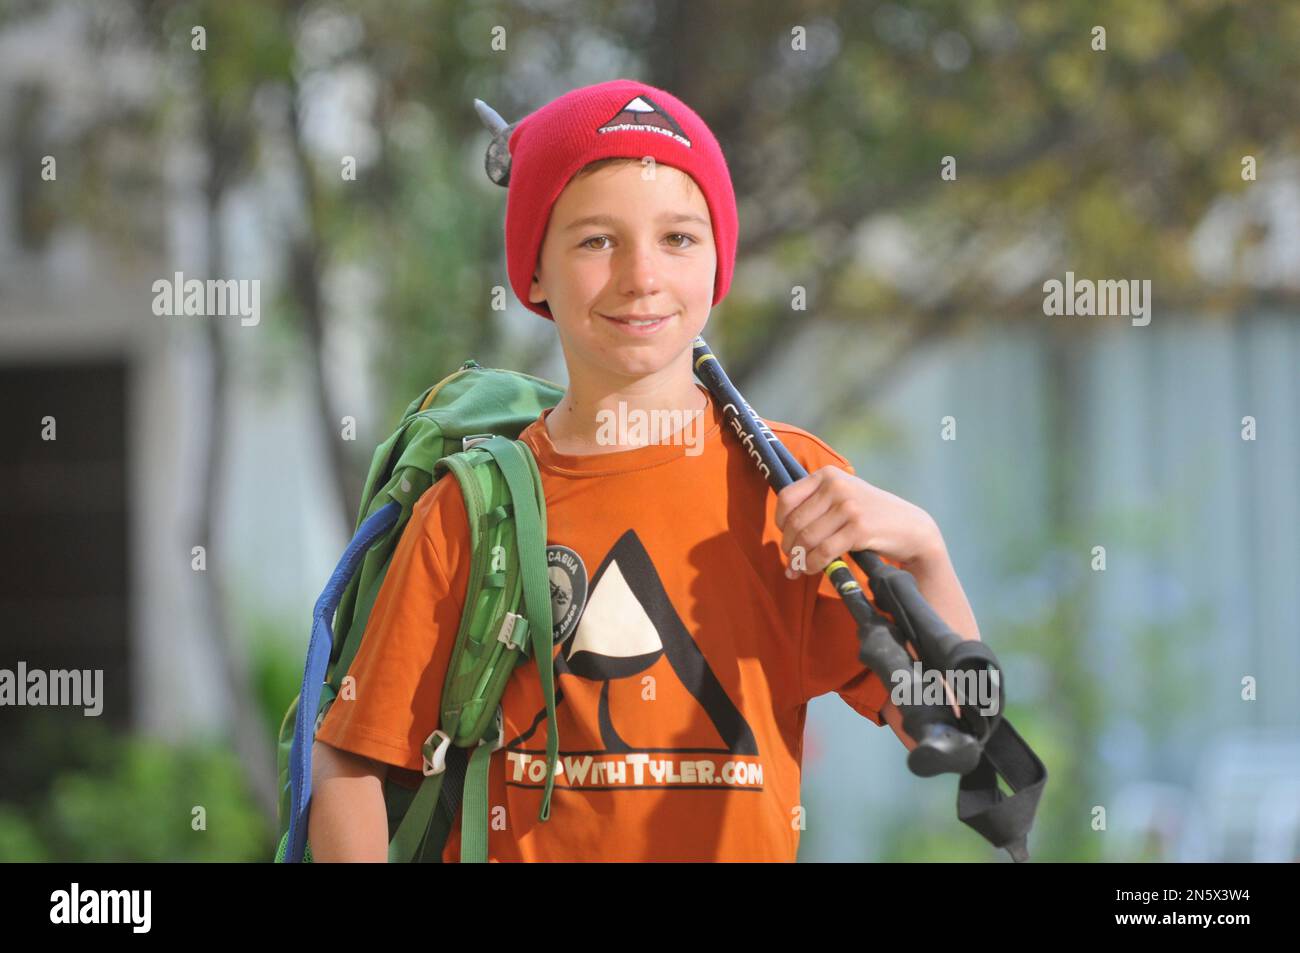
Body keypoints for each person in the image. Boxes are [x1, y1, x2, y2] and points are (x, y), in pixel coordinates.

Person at [308, 79, 981, 862]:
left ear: (718, 261)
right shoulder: (477, 505)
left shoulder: (789, 486)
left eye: (679, 239)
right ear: (533, 275)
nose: (641, 276)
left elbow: (957, 724)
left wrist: (926, 550)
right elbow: (352, 758)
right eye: (596, 240)